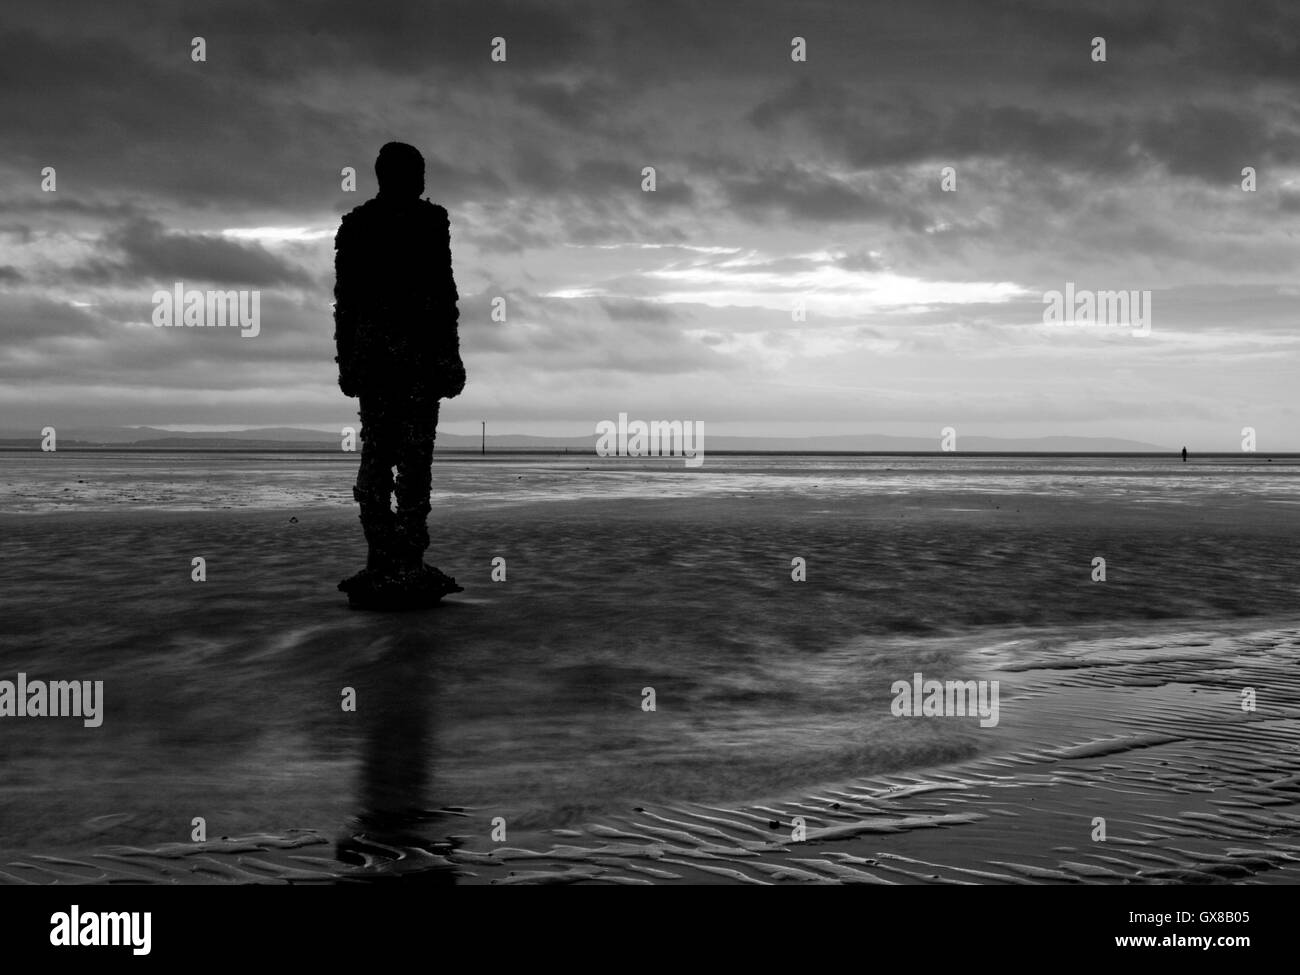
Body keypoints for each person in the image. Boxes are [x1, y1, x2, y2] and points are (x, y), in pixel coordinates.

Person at [333, 142, 466, 608]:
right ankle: (390, 557)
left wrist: (448, 359)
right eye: (416, 172)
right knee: (393, 460)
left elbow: (442, 296)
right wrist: (348, 360)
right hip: (400, 363)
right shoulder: (376, 226)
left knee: (403, 461)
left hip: (403, 363)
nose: (421, 181)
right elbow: (349, 301)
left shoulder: (418, 223)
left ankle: (400, 557)